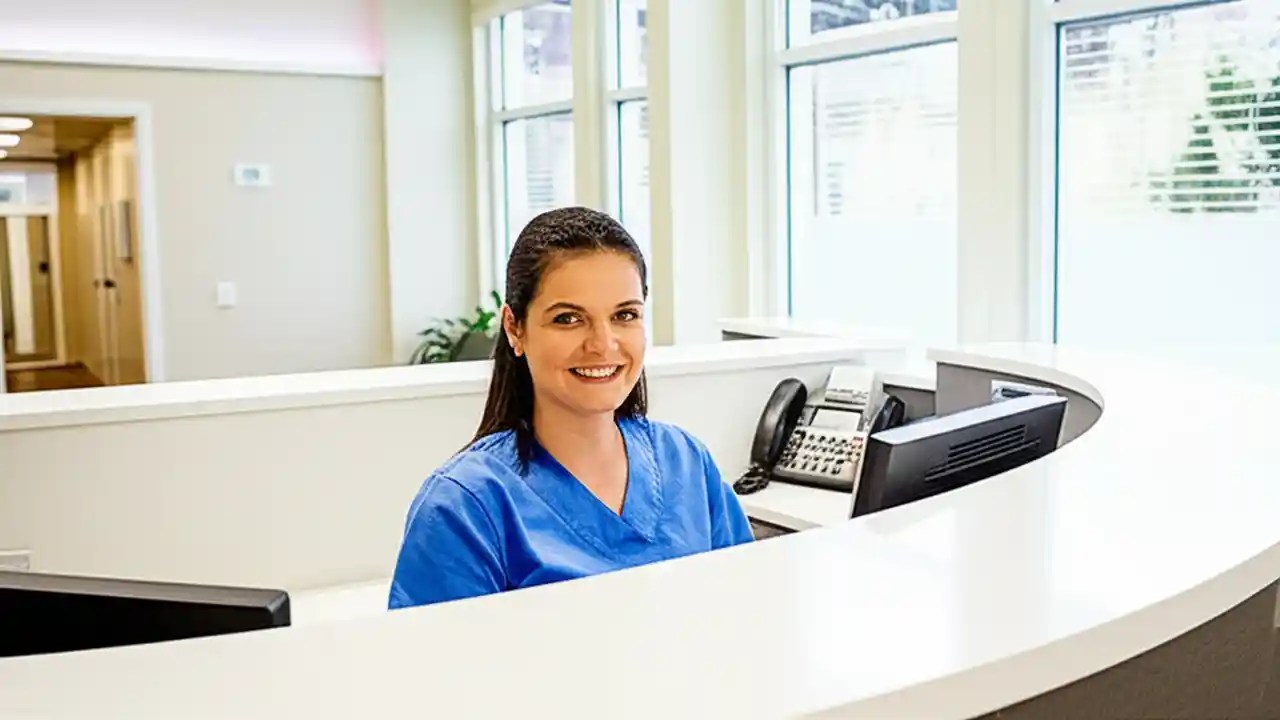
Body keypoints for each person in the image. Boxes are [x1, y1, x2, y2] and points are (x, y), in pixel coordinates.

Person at [387, 207, 754, 609]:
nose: (602, 343)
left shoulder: (687, 463)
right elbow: (434, 669)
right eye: (568, 319)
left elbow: (745, 614)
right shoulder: (464, 506)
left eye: (625, 315)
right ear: (515, 328)